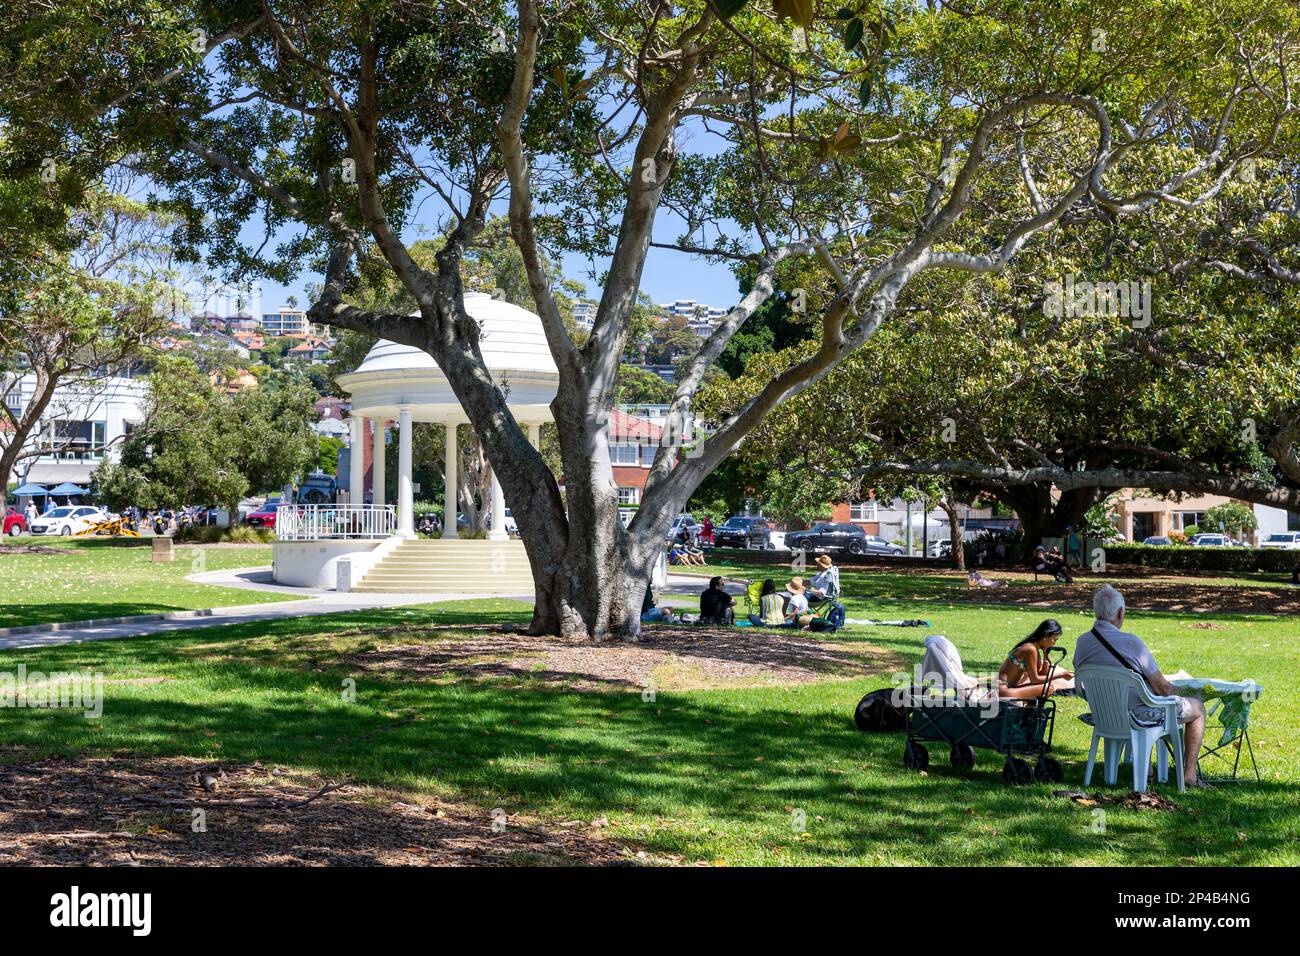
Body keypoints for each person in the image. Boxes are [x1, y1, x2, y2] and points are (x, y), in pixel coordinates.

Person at [1074, 586, 1207, 789]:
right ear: (1120, 613)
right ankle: (1189, 775)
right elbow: (1163, 689)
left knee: (1146, 698)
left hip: (1105, 715)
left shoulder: (1082, 643)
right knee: (1197, 708)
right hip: (1138, 715)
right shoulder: (1131, 643)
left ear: (1096, 611)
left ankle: (1147, 771)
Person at [998, 619, 1074, 699]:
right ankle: (1029, 710)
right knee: (1048, 688)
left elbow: (1042, 676)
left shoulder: (1034, 649)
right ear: (1045, 636)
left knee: (1046, 686)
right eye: (1054, 639)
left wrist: (1045, 655)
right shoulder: (1030, 649)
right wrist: (1061, 675)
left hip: (1008, 689)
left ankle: (1029, 710)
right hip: (1002, 691)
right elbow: (1035, 680)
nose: (1054, 643)